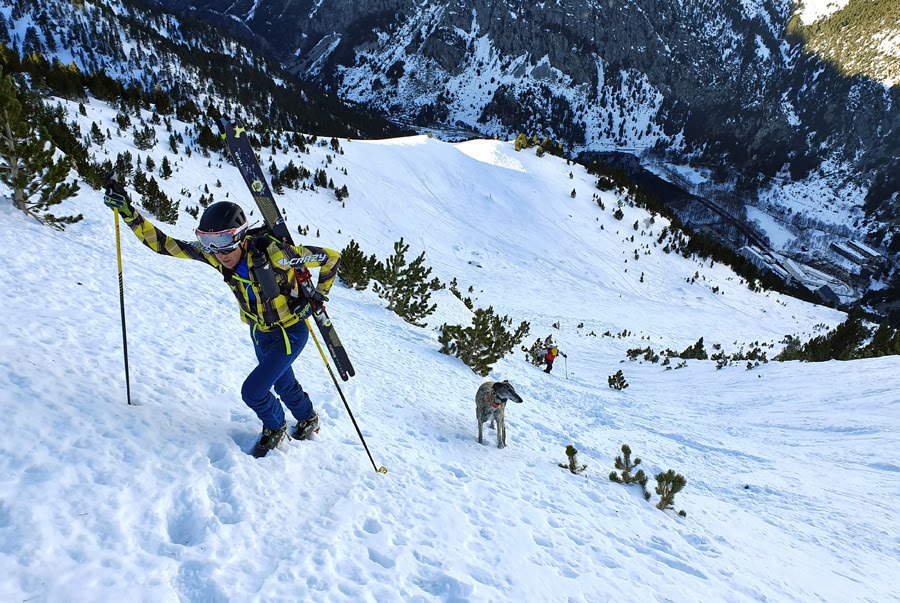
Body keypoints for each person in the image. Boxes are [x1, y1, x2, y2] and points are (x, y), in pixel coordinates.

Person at [103, 178, 341, 458]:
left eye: (225, 241)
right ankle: (308, 418)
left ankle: (275, 427)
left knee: (253, 391)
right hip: (259, 332)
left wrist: (314, 299)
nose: (219, 251)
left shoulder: (278, 255)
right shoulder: (215, 255)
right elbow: (164, 245)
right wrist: (129, 213)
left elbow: (331, 258)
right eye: (208, 242)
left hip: (290, 332)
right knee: (281, 382)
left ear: (240, 235)